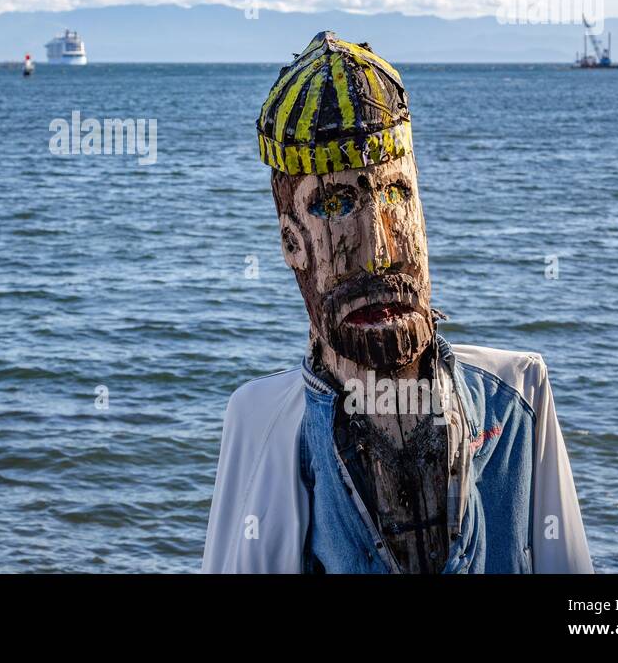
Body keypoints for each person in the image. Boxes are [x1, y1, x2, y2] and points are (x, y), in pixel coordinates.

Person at [202, 32, 592, 573]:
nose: (380, 251)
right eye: (335, 205)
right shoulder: (264, 423)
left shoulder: (516, 398)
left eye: (395, 195)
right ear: (292, 243)